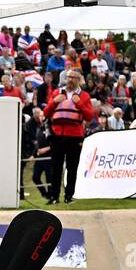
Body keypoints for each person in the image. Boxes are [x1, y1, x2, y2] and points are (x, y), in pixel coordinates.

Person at [43, 69, 96, 203]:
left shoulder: (84, 96)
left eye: (74, 77)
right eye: (69, 77)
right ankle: (54, 197)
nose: (70, 80)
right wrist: (55, 101)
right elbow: (46, 112)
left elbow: (89, 116)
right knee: (56, 167)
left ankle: (68, 196)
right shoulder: (56, 93)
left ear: (79, 80)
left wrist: (79, 103)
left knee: (72, 167)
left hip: (75, 136)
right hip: (57, 135)